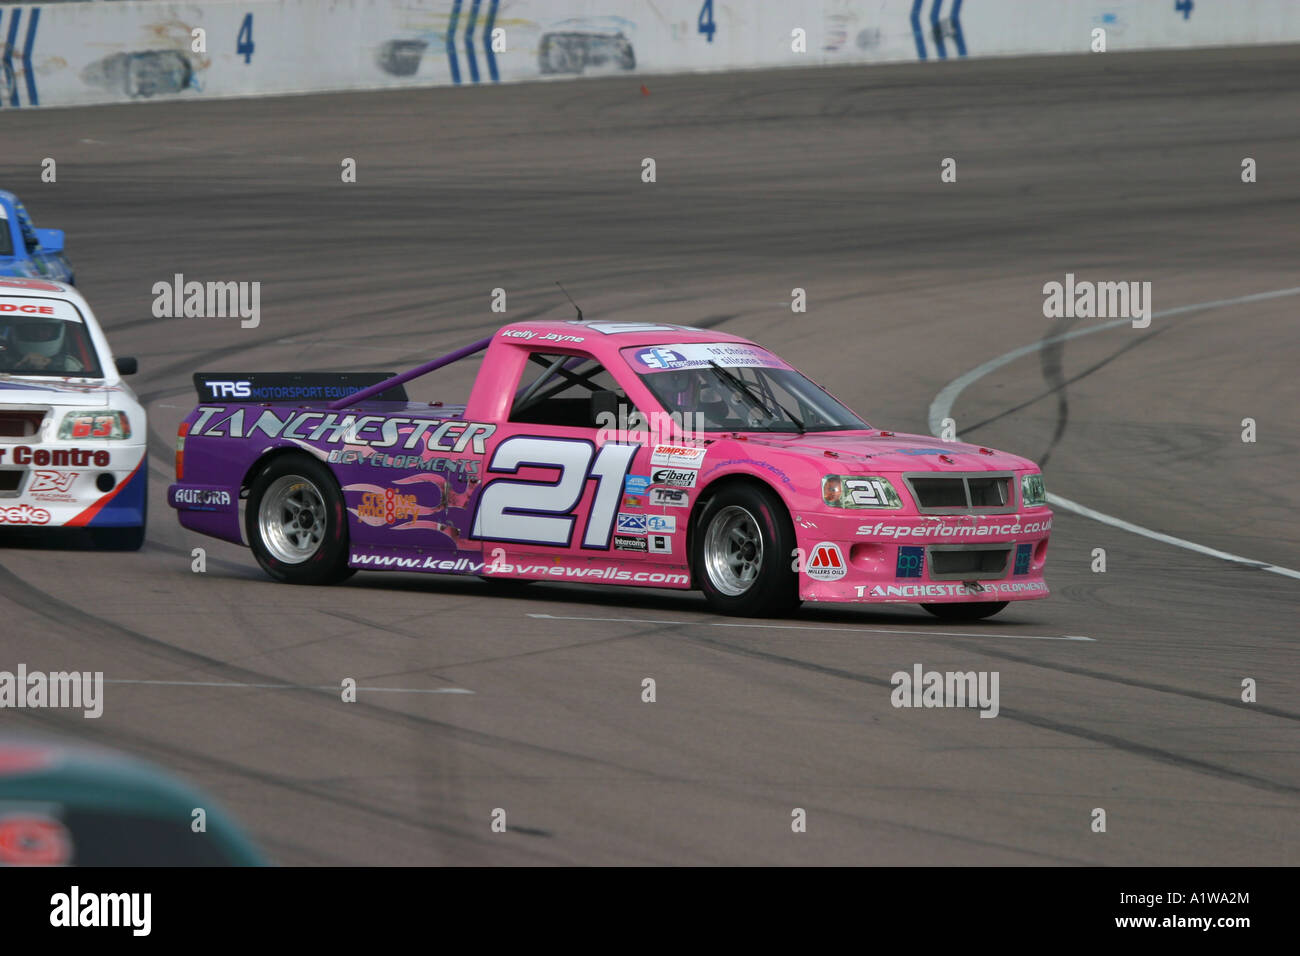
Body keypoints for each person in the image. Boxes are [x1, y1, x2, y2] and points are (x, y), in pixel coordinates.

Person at [1, 319, 85, 373]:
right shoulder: (2, 361)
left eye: (45, 329)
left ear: (56, 331)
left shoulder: (69, 365)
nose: (39, 334)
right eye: (32, 329)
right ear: (21, 332)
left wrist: (51, 367)